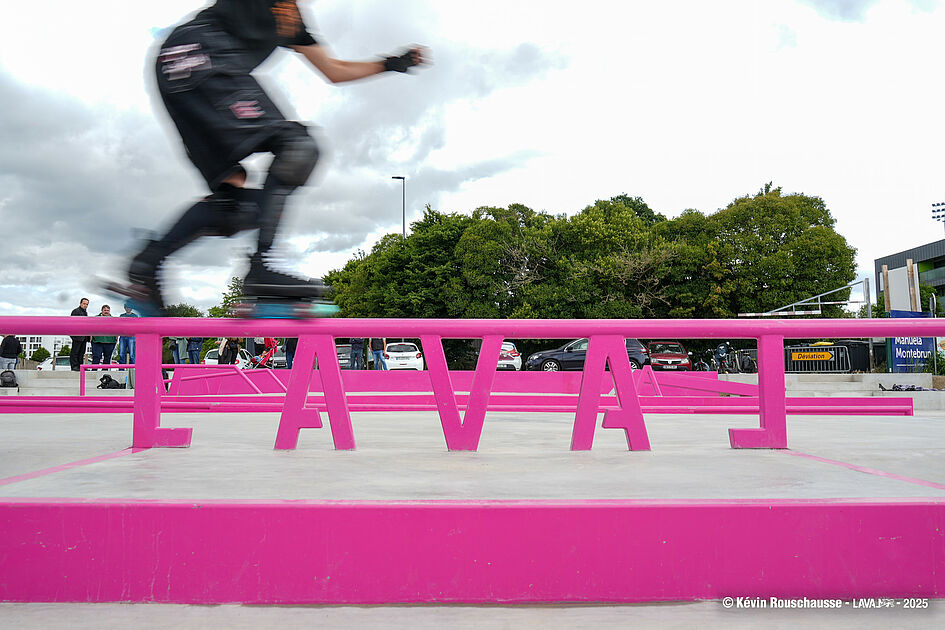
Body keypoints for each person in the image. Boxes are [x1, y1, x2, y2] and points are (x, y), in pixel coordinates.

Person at [121, 1, 428, 315]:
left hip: (174, 72)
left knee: (235, 208)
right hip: (204, 55)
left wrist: (392, 63)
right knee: (298, 146)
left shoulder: (293, 20)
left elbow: (333, 70)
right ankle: (261, 270)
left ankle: (147, 265)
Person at [90, 305, 117, 369]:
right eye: (105, 310)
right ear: (101, 310)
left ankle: (105, 373)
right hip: (97, 341)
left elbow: (116, 329)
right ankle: (94, 372)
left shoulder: (114, 319)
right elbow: (91, 328)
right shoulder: (95, 318)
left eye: (107, 310)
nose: (106, 312)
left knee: (107, 358)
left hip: (110, 342)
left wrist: (116, 338)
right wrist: (90, 337)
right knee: (96, 357)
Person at [69, 298, 90, 371]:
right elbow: (72, 324)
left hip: (83, 336)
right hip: (77, 336)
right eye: (84, 304)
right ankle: (74, 366)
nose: (85, 305)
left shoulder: (85, 313)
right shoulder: (76, 311)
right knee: (75, 352)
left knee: (81, 352)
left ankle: (80, 366)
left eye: (87, 304)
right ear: (80, 303)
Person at [117, 303, 138, 367]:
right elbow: (119, 326)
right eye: (127, 307)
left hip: (132, 336)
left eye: (129, 307)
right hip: (123, 336)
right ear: (125, 308)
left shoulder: (135, 316)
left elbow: (136, 326)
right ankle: (121, 368)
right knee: (121, 353)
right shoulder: (121, 316)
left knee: (132, 354)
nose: (128, 309)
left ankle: (132, 368)